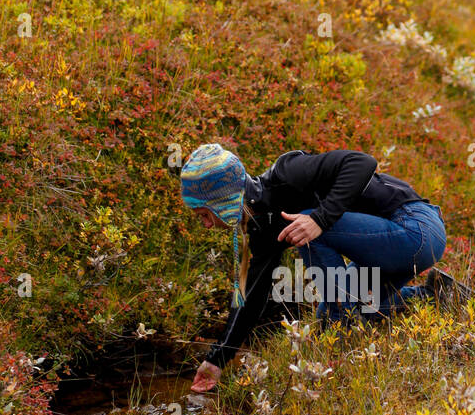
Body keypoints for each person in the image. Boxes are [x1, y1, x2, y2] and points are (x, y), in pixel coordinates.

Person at [178, 143, 460, 393]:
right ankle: (436, 295)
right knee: (330, 311)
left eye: (204, 214)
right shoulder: (262, 229)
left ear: (223, 200)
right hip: (393, 250)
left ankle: (340, 345)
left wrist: (320, 220)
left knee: (306, 226)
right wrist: (217, 360)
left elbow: (363, 163)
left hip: (417, 229)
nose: (204, 224)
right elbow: (251, 295)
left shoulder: (288, 173)